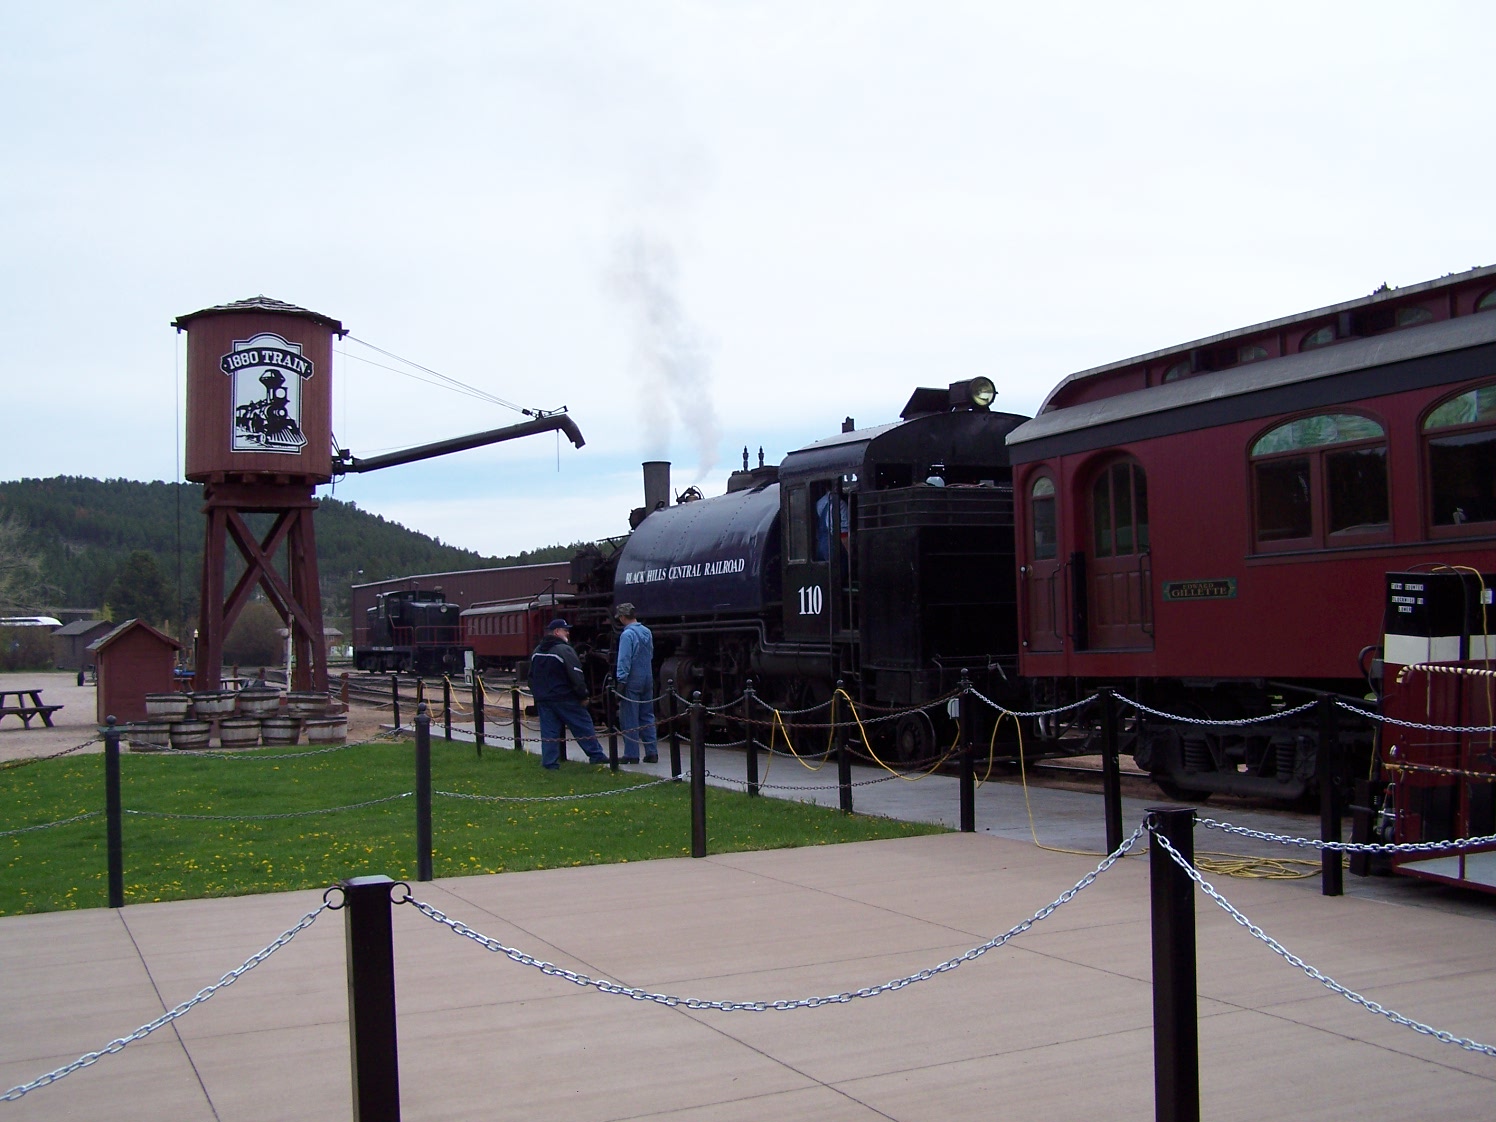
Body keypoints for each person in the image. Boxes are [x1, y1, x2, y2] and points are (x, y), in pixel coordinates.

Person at [528, 618, 608, 769]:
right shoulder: (564, 650)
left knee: (549, 732)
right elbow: (576, 675)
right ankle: (596, 755)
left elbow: (531, 677)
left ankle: (550, 763)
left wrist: (537, 695)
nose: (568, 633)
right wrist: (583, 695)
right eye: (565, 630)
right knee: (583, 725)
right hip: (565, 697)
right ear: (557, 632)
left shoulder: (537, 651)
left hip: (544, 699)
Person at [613, 603, 658, 763]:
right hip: (647, 676)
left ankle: (631, 754)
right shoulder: (647, 631)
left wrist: (621, 680)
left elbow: (624, 659)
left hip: (633, 678)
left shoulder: (627, 635)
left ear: (623, 617)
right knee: (647, 715)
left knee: (629, 716)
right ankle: (652, 751)